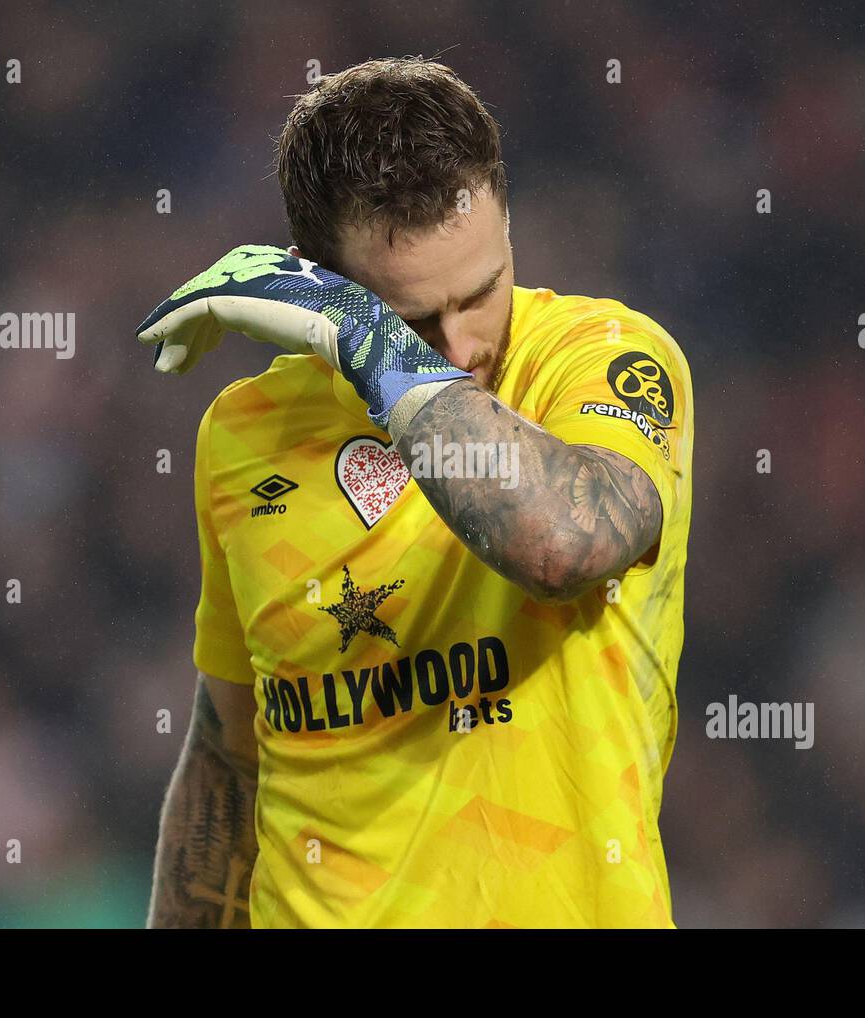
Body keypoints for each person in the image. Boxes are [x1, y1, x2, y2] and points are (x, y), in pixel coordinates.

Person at [142, 55, 694, 928]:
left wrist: (376, 341)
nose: (461, 347)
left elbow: (561, 545)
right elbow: (229, 755)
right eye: (408, 320)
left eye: (481, 293)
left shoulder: (604, 358)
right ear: (314, 279)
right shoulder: (244, 434)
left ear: (508, 223)